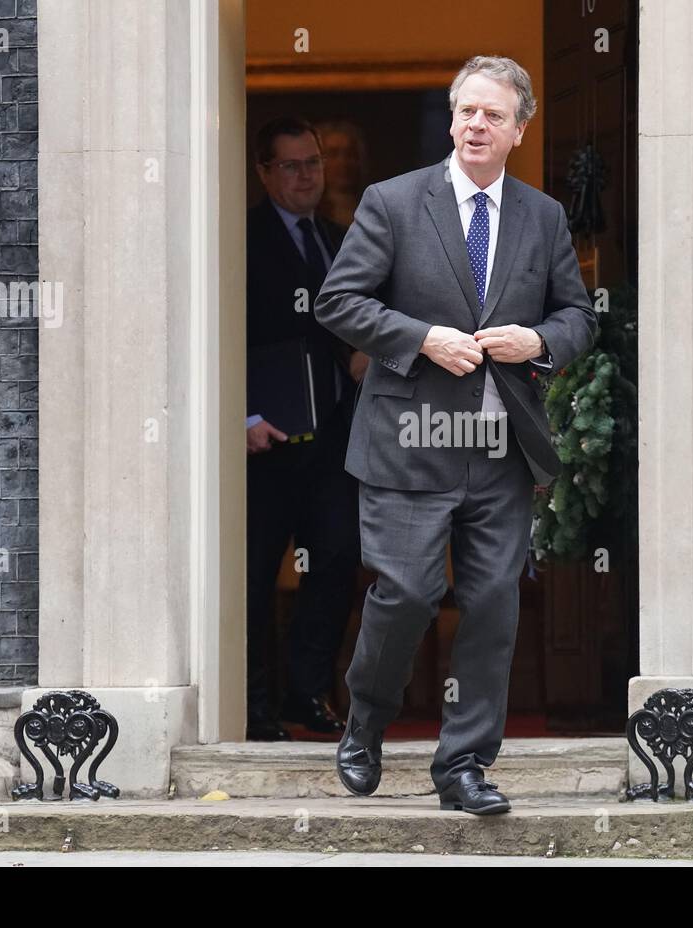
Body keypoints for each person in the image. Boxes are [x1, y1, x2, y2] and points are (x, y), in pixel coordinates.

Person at [315, 56, 597, 813]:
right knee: (407, 592)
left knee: (494, 600)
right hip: (408, 437)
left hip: (500, 447)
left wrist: (536, 343)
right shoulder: (393, 202)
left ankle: (463, 765)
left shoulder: (542, 216)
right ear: (451, 119)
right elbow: (339, 301)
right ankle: (366, 722)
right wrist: (422, 337)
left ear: (518, 130)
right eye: (467, 111)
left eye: (493, 116)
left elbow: (578, 316)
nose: (477, 124)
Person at [245, 116, 366, 741]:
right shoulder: (237, 235)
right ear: (265, 172)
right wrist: (236, 417)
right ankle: (254, 706)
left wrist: (364, 353)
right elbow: (215, 332)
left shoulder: (337, 239)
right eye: (290, 166)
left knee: (340, 558)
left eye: (312, 163)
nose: (305, 176)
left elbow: (349, 327)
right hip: (262, 440)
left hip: (333, 437)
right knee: (255, 573)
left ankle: (306, 691)